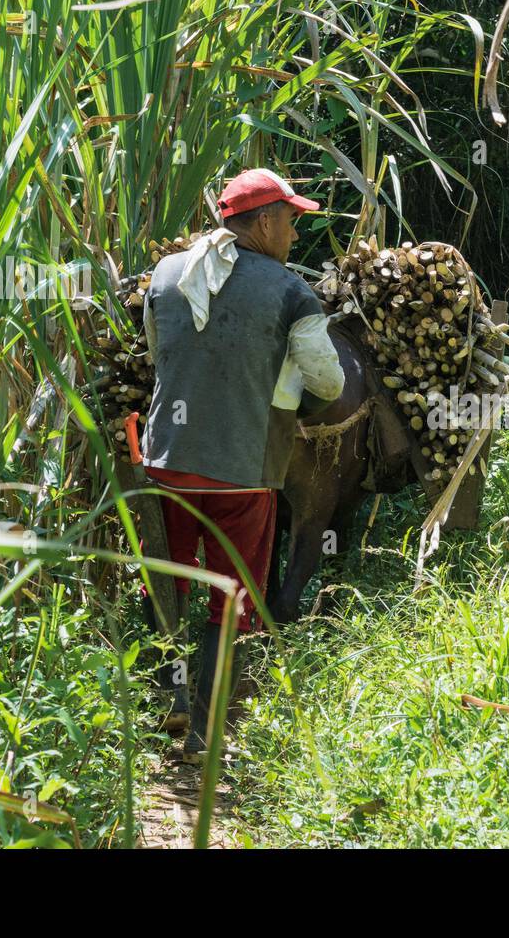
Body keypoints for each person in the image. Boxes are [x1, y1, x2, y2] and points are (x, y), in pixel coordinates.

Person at [141, 168, 344, 764]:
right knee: (229, 597)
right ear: (262, 222)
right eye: (291, 220)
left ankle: (172, 692)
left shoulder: (166, 273)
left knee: (169, 582)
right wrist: (293, 406)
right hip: (244, 474)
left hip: (167, 464)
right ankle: (205, 733)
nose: (295, 233)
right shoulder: (291, 292)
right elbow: (328, 381)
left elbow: (159, 356)